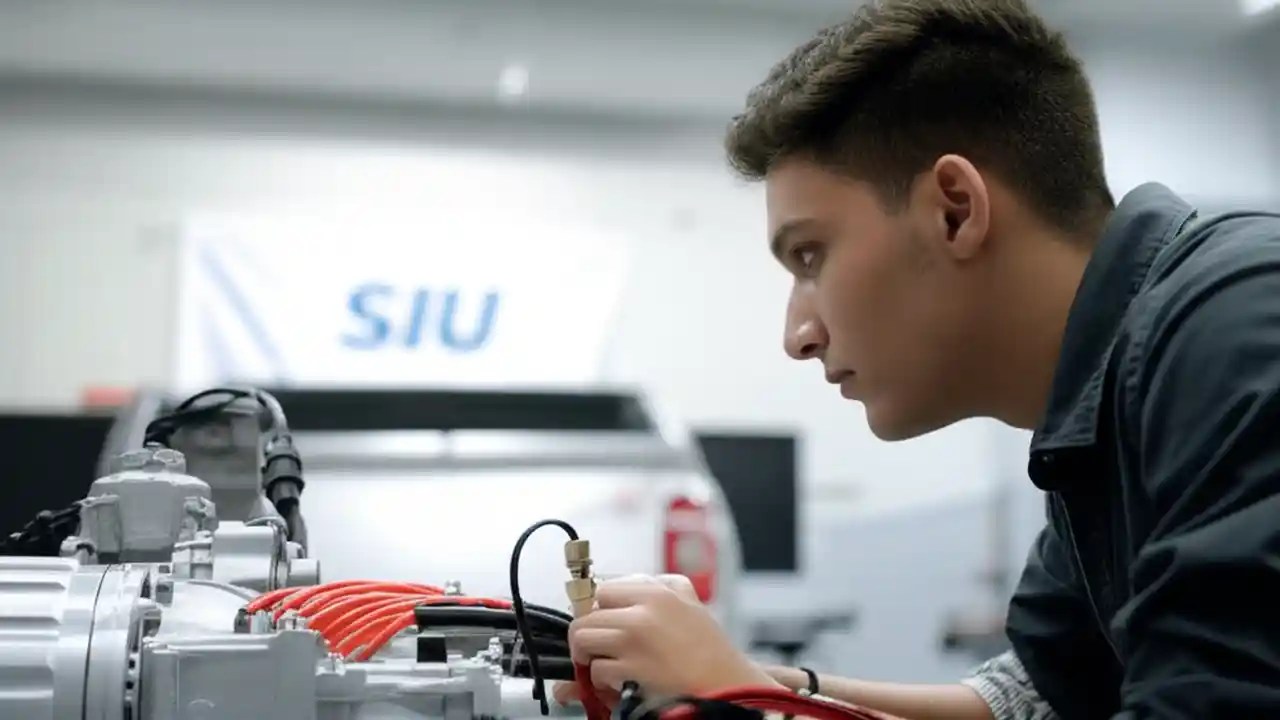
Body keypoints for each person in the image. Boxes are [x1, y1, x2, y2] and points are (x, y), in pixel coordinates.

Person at [557, 0, 1280, 718]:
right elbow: (1024, 705)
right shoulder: (1105, 406)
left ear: (955, 210)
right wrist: (742, 681)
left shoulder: (1237, 333)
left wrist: (734, 699)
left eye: (810, 256)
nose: (798, 334)